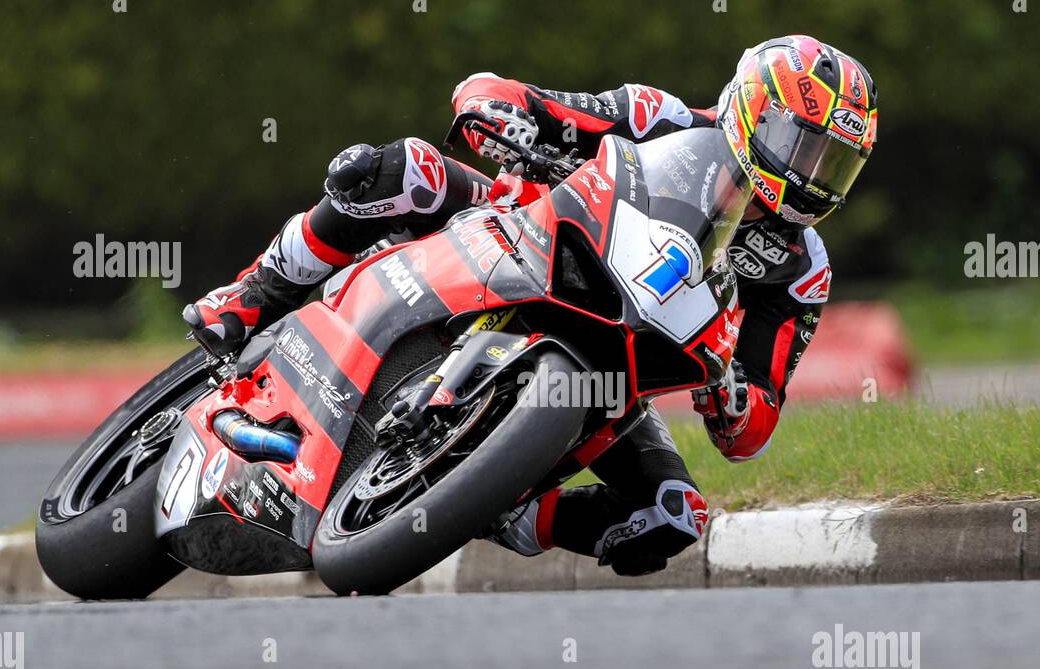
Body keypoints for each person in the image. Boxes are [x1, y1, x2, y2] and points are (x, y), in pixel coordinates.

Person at [183, 35, 877, 575]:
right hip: (520, 238)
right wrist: (501, 114)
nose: (814, 175)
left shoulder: (800, 270)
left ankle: (491, 505)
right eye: (805, 147)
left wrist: (727, 392)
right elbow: (526, 100)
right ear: (755, 110)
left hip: (618, 368)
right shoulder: (658, 118)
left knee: (672, 514)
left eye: (834, 163)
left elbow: (755, 425)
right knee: (398, 171)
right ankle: (251, 294)